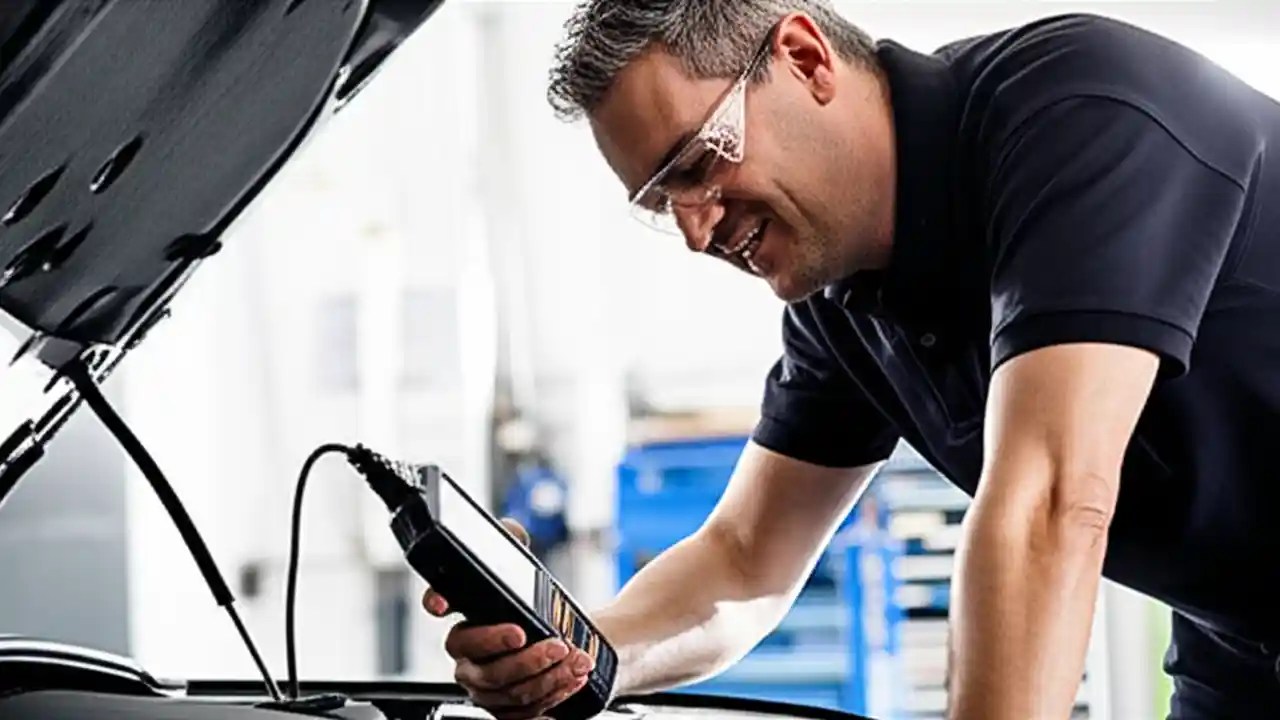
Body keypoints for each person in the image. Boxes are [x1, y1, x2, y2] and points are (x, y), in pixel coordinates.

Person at [423, 2, 1280, 718]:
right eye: (661, 201)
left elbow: (1052, 504)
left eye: (696, 162)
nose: (695, 228)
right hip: (1240, 652)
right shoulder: (842, 304)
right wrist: (581, 649)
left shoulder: (1079, 113)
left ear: (802, 58)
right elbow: (744, 559)